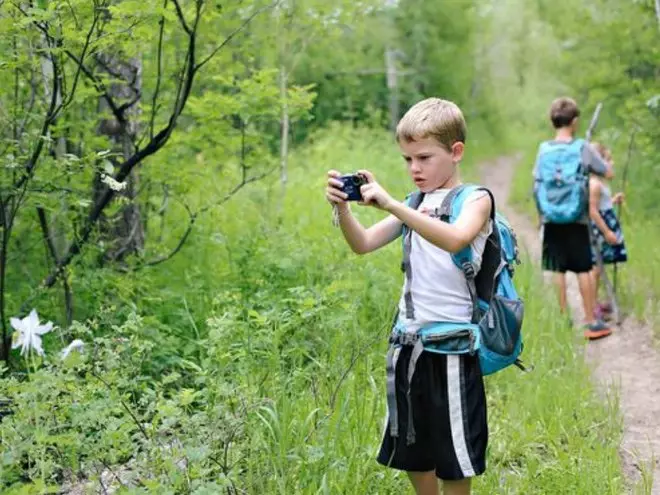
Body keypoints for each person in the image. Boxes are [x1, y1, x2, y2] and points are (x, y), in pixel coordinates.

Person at [325, 97, 491, 495]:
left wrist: (393, 205)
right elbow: (363, 244)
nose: (415, 168)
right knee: (413, 451)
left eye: (424, 157)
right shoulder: (414, 203)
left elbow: (456, 238)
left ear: (456, 153)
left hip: (451, 348)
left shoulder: (475, 199)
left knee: (454, 458)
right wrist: (344, 210)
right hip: (407, 344)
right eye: (407, 159)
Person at [534, 97, 612, 340]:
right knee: (583, 268)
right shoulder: (581, 147)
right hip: (577, 216)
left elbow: (536, 183)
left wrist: (541, 216)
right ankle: (590, 322)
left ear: (552, 121)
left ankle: (562, 318)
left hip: (550, 216)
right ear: (575, 121)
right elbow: (606, 172)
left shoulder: (543, 149)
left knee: (558, 267)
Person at [588, 142, 627, 321]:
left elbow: (602, 206)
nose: (611, 164)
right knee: (596, 269)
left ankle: (596, 304)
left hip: (603, 224)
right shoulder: (594, 184)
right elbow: (593, 211)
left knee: (599, 267)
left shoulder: (600, 183)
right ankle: (592, 306)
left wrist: (612, 200)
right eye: (608, 160)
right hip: (600, 229)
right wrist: (607, 232)